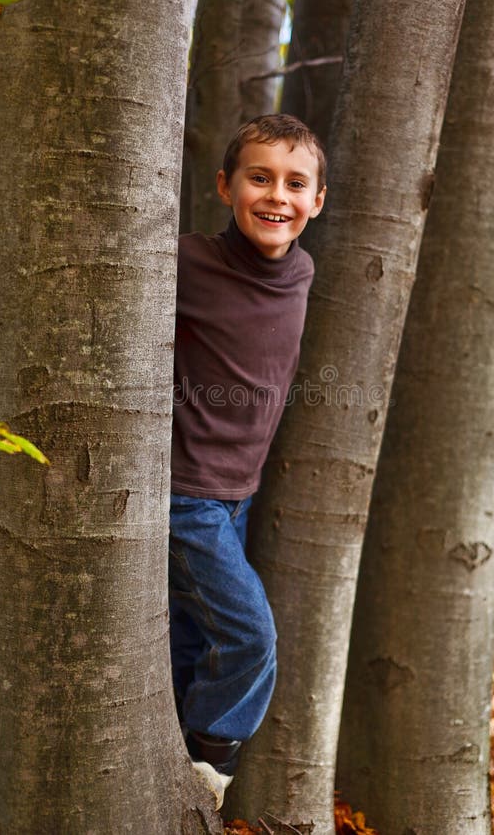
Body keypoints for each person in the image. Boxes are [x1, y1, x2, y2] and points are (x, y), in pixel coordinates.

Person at [169, 114, 327, 809]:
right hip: (185, 491)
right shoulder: (186, 261)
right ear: (225, 185)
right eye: (259, 178)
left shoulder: (303, 269)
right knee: (247, 633)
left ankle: (168, 745)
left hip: (241, 493)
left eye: (296, 184)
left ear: (317, 202)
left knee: (191, 633)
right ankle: (211, 758)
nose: (277, 197)